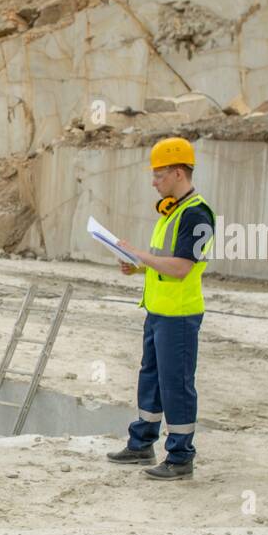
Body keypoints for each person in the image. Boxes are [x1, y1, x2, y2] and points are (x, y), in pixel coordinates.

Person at [110, 136, 216, 481]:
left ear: (177, 172)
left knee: (177, 385)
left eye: (158, 175)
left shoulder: (197, 215)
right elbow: (164, 262)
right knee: (152, 380)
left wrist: (139, 254)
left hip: (180, 317)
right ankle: (141, 442)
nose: (153, 182)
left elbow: (183, 267)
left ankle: (181, 456)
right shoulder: (172, 211)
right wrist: (137, 266)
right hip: (158, 313)